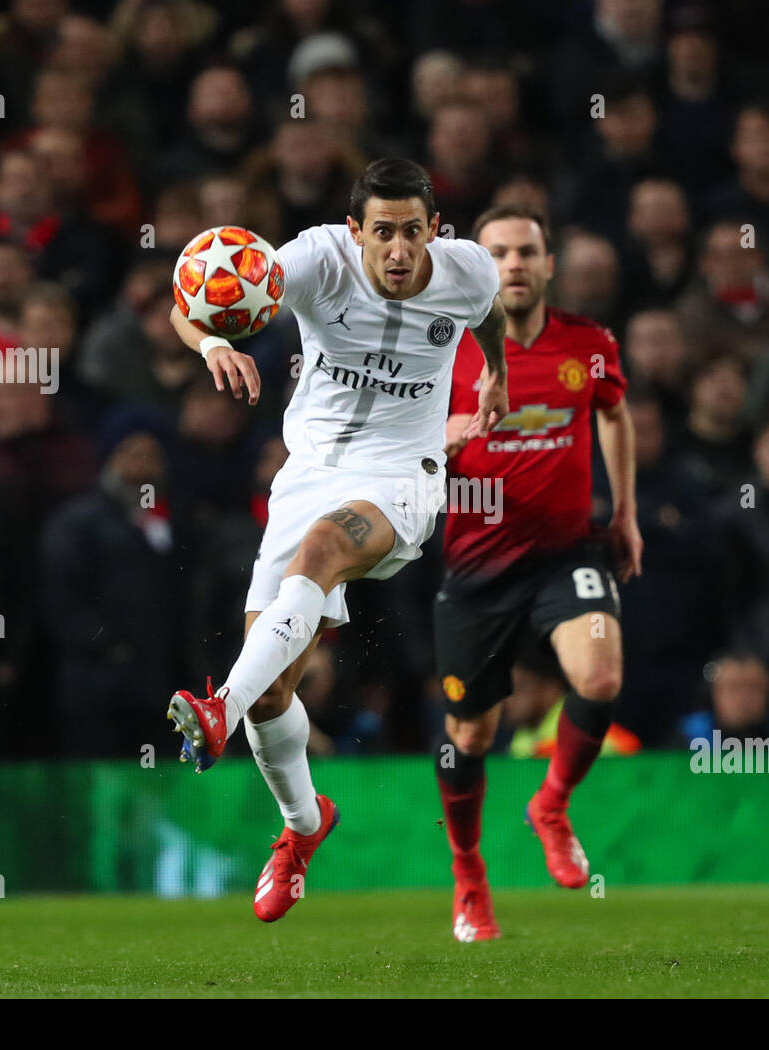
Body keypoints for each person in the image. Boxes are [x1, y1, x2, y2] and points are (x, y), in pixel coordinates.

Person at [164, 159, 507, 924]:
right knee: (274, 694)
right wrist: (211, 346)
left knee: (321, 550)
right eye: (382, 232)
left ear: (435, 230)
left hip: (404, 474)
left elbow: (488, 314)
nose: (398, 249)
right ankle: (303, 825)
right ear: (356, 231)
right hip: (309, 472)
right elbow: (190, 301)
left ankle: (216, 708)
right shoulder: (317, 260)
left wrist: (496, 373)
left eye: (412, 232)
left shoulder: (468, 271)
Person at [433, 205, 641, 941]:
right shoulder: (447, 351)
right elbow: (399, 438)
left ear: (550, 265)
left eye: (526, 251)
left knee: (601, 676)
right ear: (476, 267)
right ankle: (468, 876)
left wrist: (625, 511)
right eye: (497, 253)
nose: (514, 264)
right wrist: (441, 440)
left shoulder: (588, 344)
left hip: (565, 551)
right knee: (471, 735)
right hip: (477, 563)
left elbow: (613, 412)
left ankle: (551, 804)